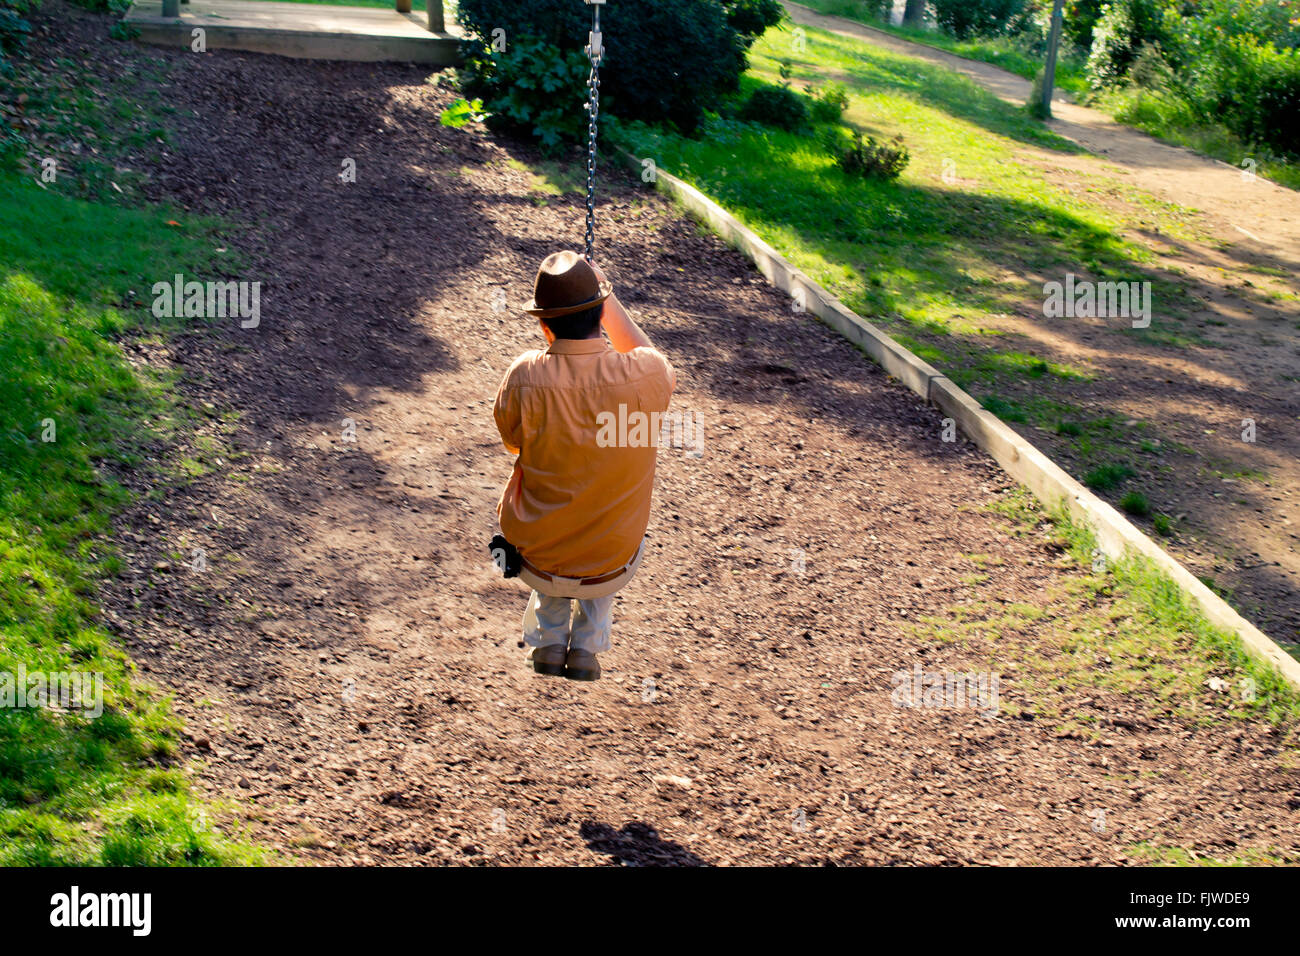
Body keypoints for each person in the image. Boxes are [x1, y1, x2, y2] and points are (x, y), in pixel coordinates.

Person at [492, 251, 676, 681]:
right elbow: (659, 363)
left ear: (543, 324)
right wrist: (607, 300)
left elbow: (510, 441)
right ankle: (589, 646)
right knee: (604, 517)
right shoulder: (643, 374)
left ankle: (548, 640)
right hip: (612, 556)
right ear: (601, 314)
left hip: (540, 552)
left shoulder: (524, 375)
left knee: (549, 518)